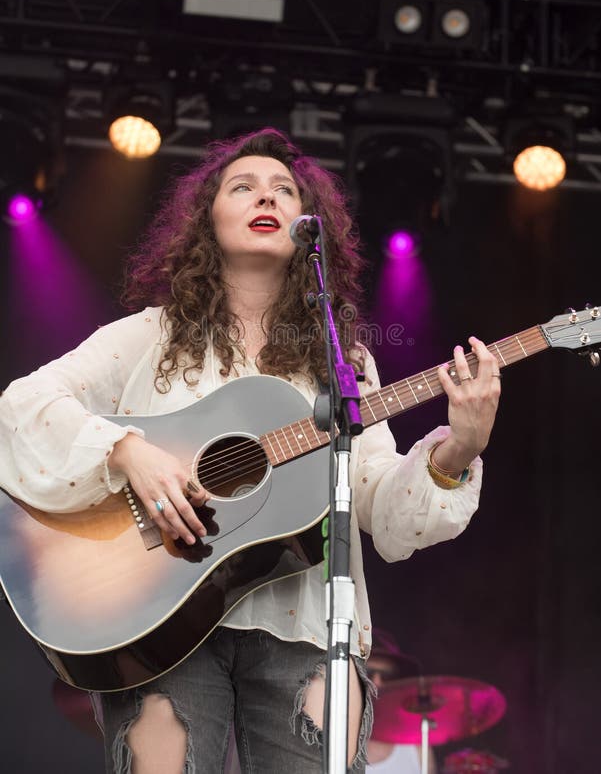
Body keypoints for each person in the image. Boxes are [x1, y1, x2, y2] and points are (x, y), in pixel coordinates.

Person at [0, 128, 501, 774]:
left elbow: (381, 503)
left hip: (308, 626)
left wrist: (457, 449)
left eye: (283, 190)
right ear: (205, 220)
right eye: (242, 187)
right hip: (156, 625)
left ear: (307, 224)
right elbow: (20, 406)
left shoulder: (343, 362)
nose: (265, 196)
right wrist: (128, 451)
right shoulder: (148, 337)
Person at [366, 629, 436, 774]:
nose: (377, 683)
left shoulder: (416, 746)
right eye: (367, 673)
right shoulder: (328, 738)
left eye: (388, 677)